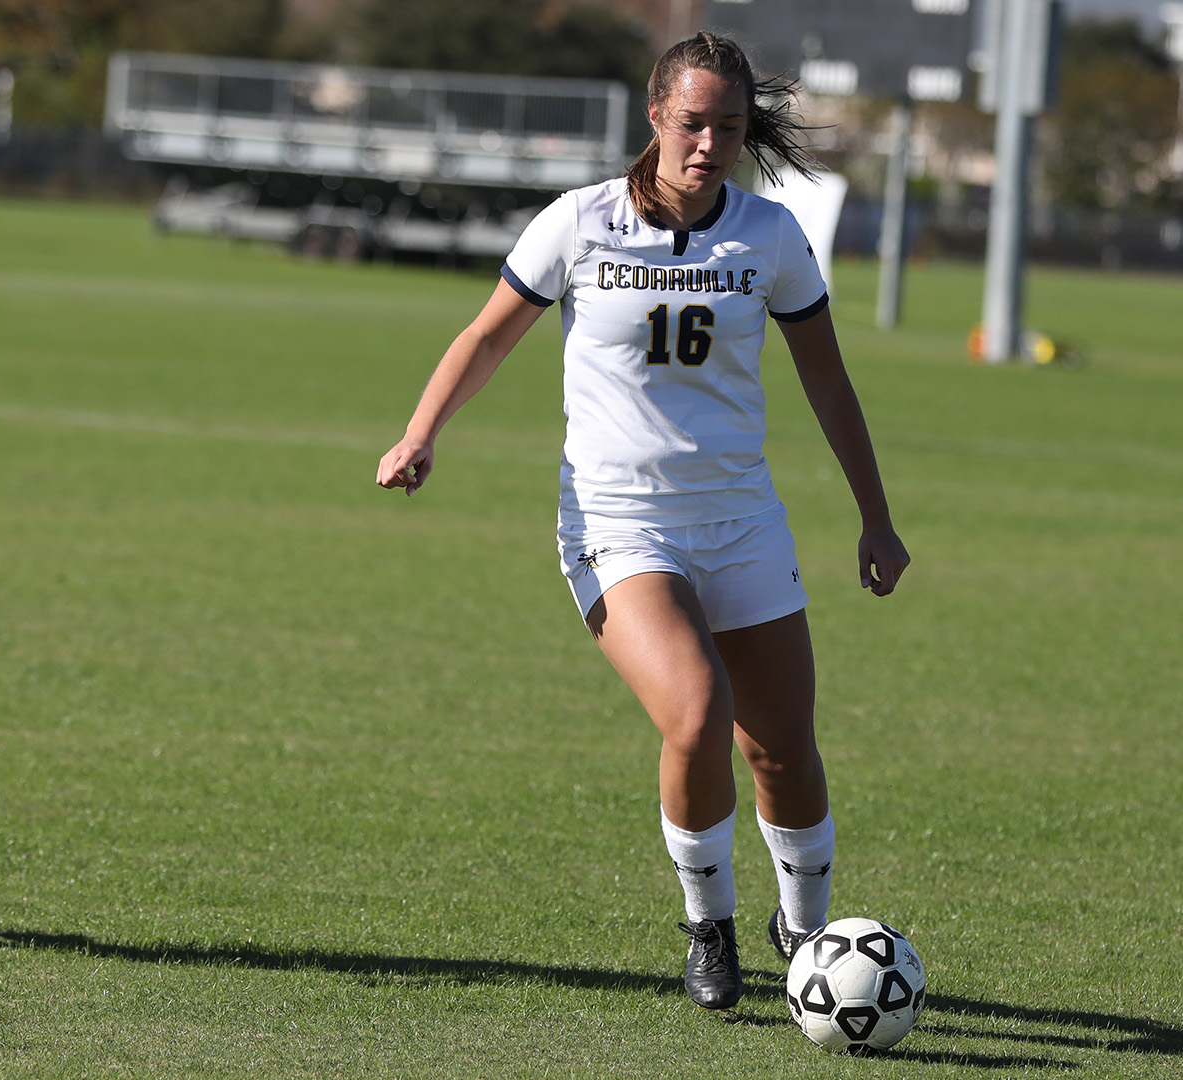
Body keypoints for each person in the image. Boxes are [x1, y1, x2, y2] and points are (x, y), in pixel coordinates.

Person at [377, 32, 908, 1009]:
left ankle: (807, 935)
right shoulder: (579, 223)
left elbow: (829, 383)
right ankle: (711, 927)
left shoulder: (770, 237)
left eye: (730, 128)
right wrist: (421, 433)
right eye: (693, 123)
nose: (710, 145)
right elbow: (486, 336)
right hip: (618, 526)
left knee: (781, 746)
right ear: (656, 115)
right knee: (698, 714)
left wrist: (876, 518)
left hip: (742, 523)